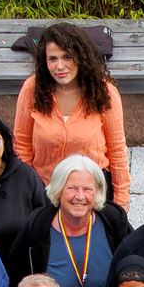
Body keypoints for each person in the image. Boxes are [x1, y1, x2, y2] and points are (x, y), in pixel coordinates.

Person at [12, 21, 133, 203]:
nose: (60, 66)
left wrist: (121, 202)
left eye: (67, 57)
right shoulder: (32, 88)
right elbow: (22, 147)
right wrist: (27, 194)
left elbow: (117, 151)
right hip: (45, 189)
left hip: (91, 192)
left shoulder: (104, 92)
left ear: (81, 57)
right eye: (53, 59)